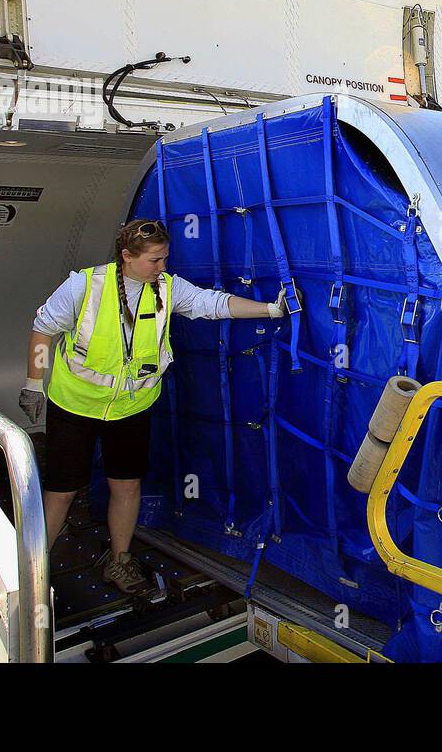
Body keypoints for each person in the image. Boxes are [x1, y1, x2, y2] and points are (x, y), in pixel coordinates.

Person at [18, 219, 294, 593]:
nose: (162, 267)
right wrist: (34, 383)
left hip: (130, 410)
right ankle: (29, 574)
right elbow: (44, 328)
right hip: (75, 406)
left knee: (127, 487)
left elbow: (211, 304)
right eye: (155, 260)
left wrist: (269, 310)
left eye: (165, 259)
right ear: (127, 257)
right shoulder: (85, 286)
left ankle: (120, 561)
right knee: (62, 491)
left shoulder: (165, 288)